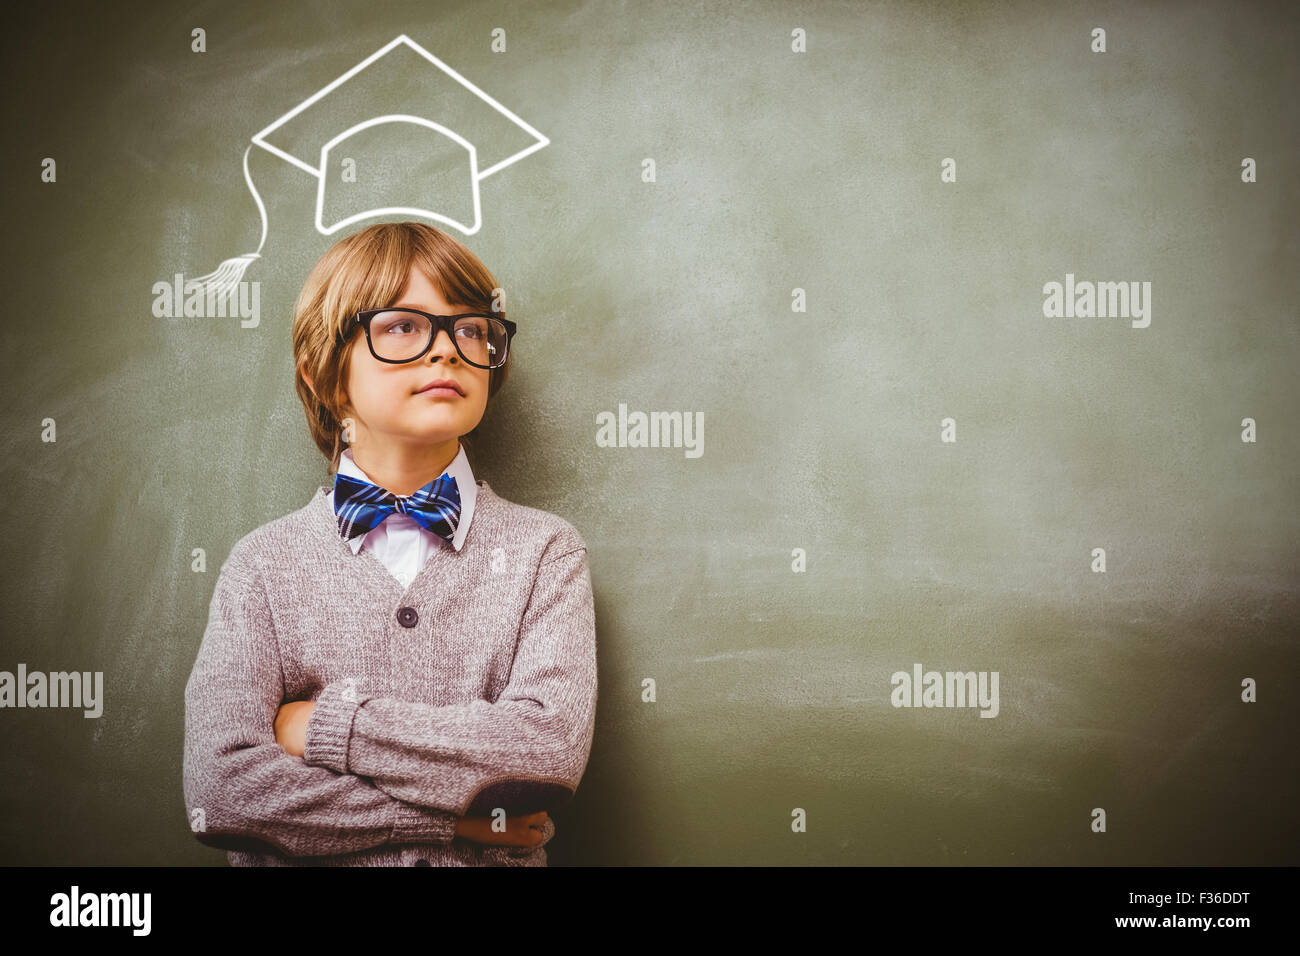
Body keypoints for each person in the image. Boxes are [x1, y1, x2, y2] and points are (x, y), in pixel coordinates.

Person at [182, 221, 597, 866]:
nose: (448, 350)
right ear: (327, 372)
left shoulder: (546, 551)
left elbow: (542, 751)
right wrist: (455, 822)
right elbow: (224, 790)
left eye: (471, 328)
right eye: (402, 325)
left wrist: (321, 726)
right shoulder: (262, 568)